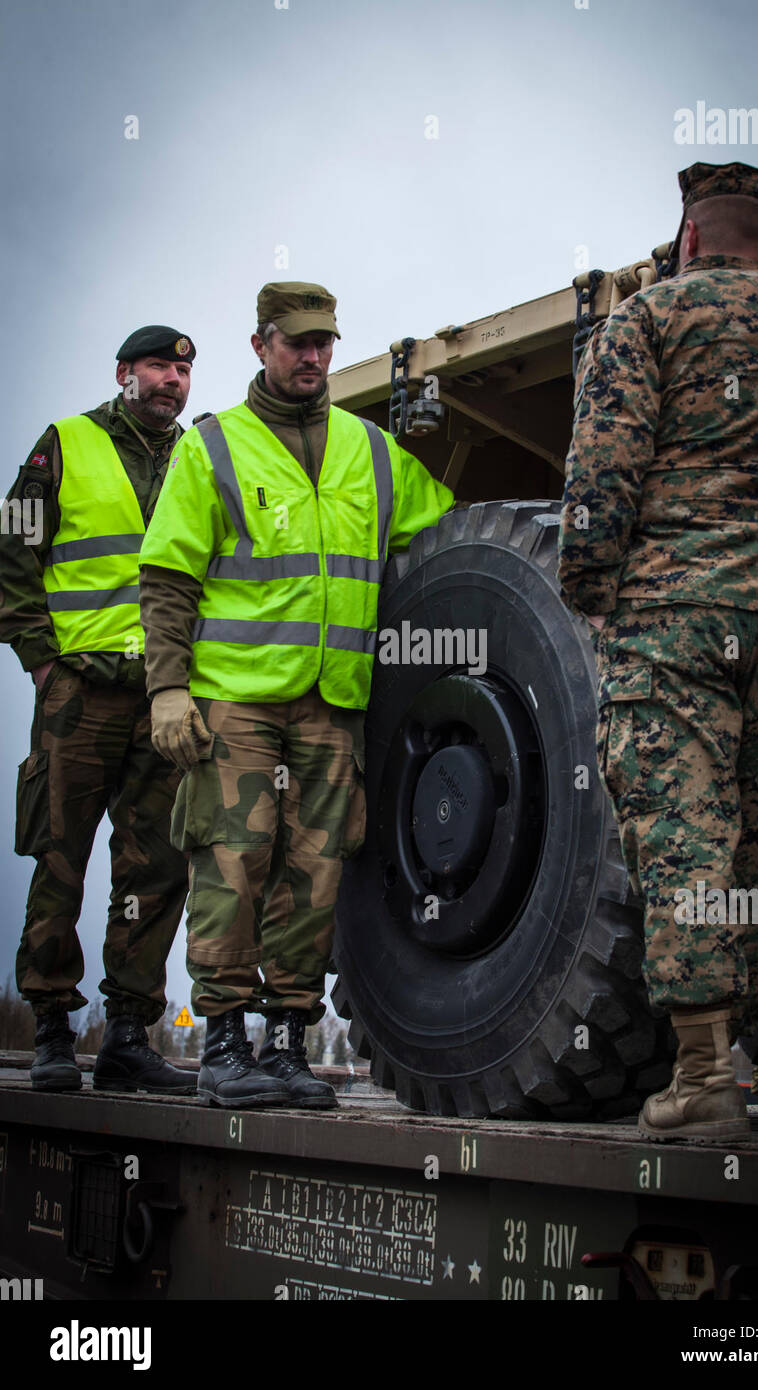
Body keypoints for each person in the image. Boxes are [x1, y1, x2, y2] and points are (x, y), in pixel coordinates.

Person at [558, 162, 758, 1142]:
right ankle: (734, 1048)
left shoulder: (643, 323)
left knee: (682, 827)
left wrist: (590, 595)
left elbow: (599, 478)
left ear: (686, 238)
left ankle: (701, 1078)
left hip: (677, 611)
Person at [138, 282, 453, 1109]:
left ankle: (285, 1043)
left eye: (324, 343)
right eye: (297, 342)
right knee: (233, 866)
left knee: (315, 875)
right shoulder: (212, 449)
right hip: (235, 703)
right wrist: (168, 690)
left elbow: (446, 535)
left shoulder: (373, 452)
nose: (313, 357)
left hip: (332, 703)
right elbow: (168, 579)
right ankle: (223, 1049)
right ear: (260, 345)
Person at [1, 326, 199, 1094]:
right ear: (124, 373)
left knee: (155, 865)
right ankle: (52, 1028)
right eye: (157, 366)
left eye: (182, 370)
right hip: (78, 694)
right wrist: (40, 659)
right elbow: (15, 547)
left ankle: (126, 1036)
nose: (171, 380)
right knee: (59, 856)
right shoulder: (67, 444)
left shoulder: (196, 458)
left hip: (164, 696)